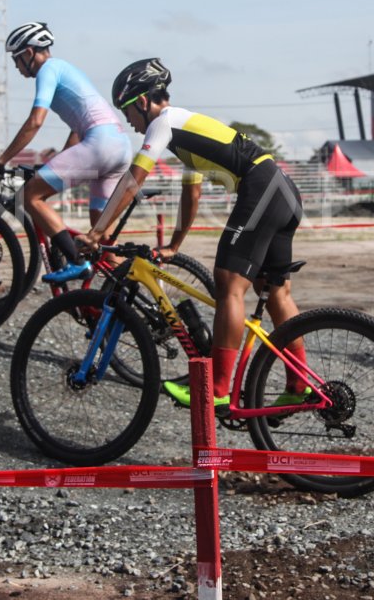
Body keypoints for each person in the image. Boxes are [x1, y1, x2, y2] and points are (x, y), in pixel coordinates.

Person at [77, 58, 309, 410]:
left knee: (229, 284)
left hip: (262, 187)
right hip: (283, 192)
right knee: (275, 292)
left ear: (141, 102)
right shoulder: (186, 134)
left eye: (126, 110)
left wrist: (97, 231)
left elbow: (133, 178)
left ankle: (216, 388)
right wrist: (174, 245)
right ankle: (300, 385)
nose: (127, 120)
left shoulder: (164, 123)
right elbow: (192, 194)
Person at [0, 22, 132, 283]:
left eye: (17, 59)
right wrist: (59, 162)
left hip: (99, 145)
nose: (17, 67)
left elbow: (35, 122)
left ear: (30, 53)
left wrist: (2, 160)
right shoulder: (67, 69)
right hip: (119, 146)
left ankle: (76, 262)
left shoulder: (48, 70)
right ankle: (127, 292)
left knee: (31, 196)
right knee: (102, 238)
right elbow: (78, 129)